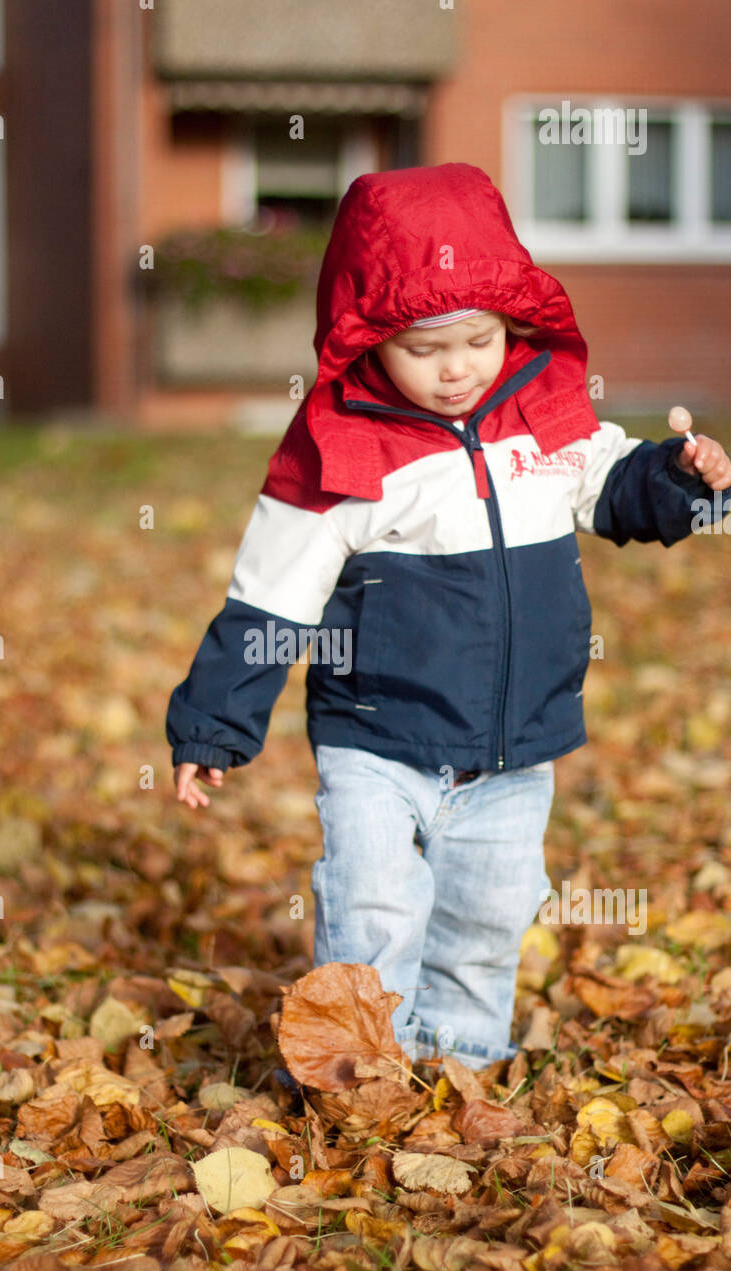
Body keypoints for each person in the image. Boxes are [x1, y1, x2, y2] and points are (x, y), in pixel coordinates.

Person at [166, 162, 731, 1070]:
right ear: (370, 341)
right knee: (374, 902)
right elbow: (272, 593)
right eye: (424, 349)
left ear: (512, 321)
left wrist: (680, 480)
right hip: (374, 737)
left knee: (489, 906)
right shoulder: (343, 449)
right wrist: (214, 724)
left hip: (512, 741)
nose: (458, 367)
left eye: (477, 338)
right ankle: (358, 1066)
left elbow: (612, 489)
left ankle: (461, 1058)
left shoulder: (543, 415)